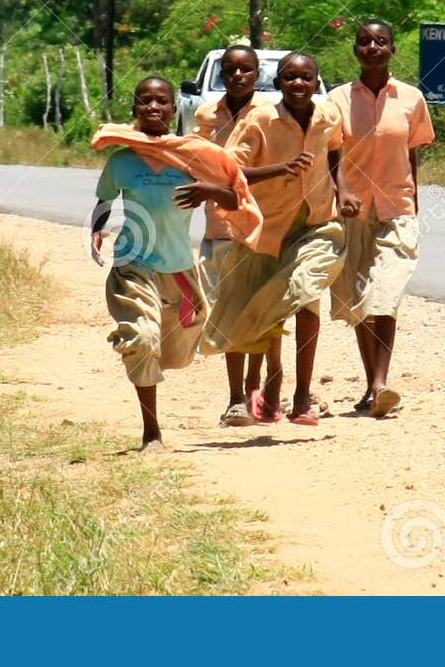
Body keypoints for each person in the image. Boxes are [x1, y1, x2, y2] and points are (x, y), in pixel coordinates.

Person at [89, 76, 260, 451]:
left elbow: (234, 197)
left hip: (180, 269)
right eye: (145, 101)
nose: (153, 107)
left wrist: (207, 190)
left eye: (161, 101)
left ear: (173, 108)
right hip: (133, 265)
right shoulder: (121, 162)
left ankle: (148, 360)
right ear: (134, 108)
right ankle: (152, 433)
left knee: (180, 349)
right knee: (142, 339)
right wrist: (98, 231)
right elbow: (105, 204)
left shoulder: (191, 157)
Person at [204, 53, 345, 427]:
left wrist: (342, 190)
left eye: (306, 78)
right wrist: (279, 169)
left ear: (317, 82)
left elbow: (335, 153)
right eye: (290, 77)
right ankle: (250, 394)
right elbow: (231, 170)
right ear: (278, 83)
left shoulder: (328, 116)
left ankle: (301, 397)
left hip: (315, 223)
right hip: (266, 229)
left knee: (305, 297)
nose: (298, 84)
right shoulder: (261, 119)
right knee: (249, 304)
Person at [329, 19, 435, 419]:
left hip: (396, 209)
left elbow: (412, 152)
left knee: (385, 294)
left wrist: (414, 195)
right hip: (352, 212)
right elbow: (331, 154)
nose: (372, 47)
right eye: (364, 41)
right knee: (359, 301)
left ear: (392, 48)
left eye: (381, 41)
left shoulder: (411, 99)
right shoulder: (337, 100)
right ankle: (372, 384)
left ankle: (380, 384)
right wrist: (342, 192)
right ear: (355, 49)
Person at [192, 44, 276, 427]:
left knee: (255, 313)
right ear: (222, 74)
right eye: (230, 70)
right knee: (226, 312)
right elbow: (195, 159)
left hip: (261, 226)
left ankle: (255, 389)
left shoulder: (270, 115)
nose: (238, 76)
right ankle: (235, 398)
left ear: (257, 74)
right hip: (220, 227)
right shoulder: (208, 114)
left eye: (245, 70)